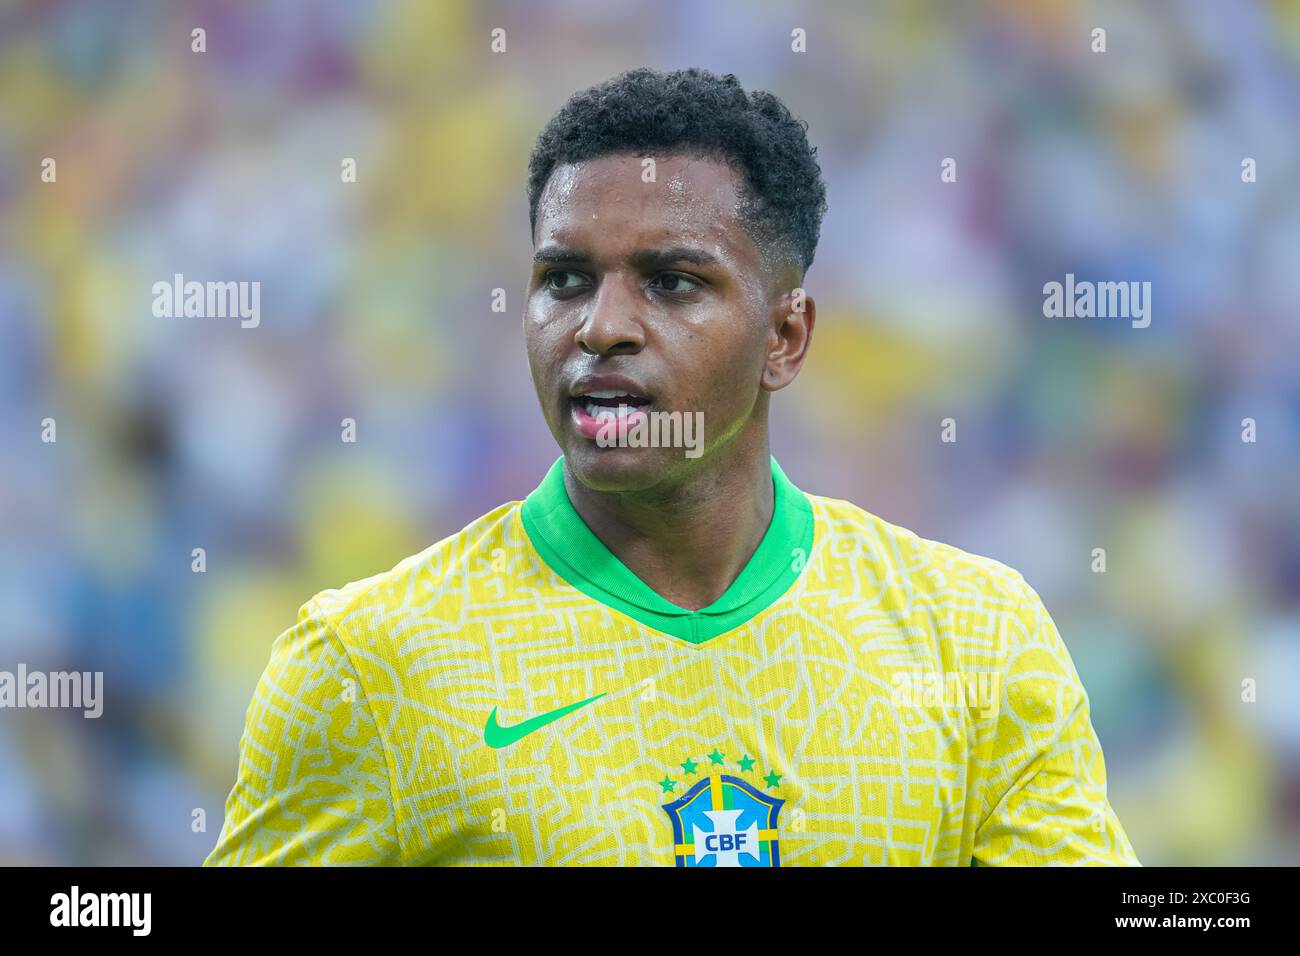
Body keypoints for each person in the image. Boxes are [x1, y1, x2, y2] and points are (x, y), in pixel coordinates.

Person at [205, 67, 1138, 867]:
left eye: (672, 282)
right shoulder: (372, 666)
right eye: (564, 278)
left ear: (785, 337)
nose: (600, 326)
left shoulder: (973, 638)